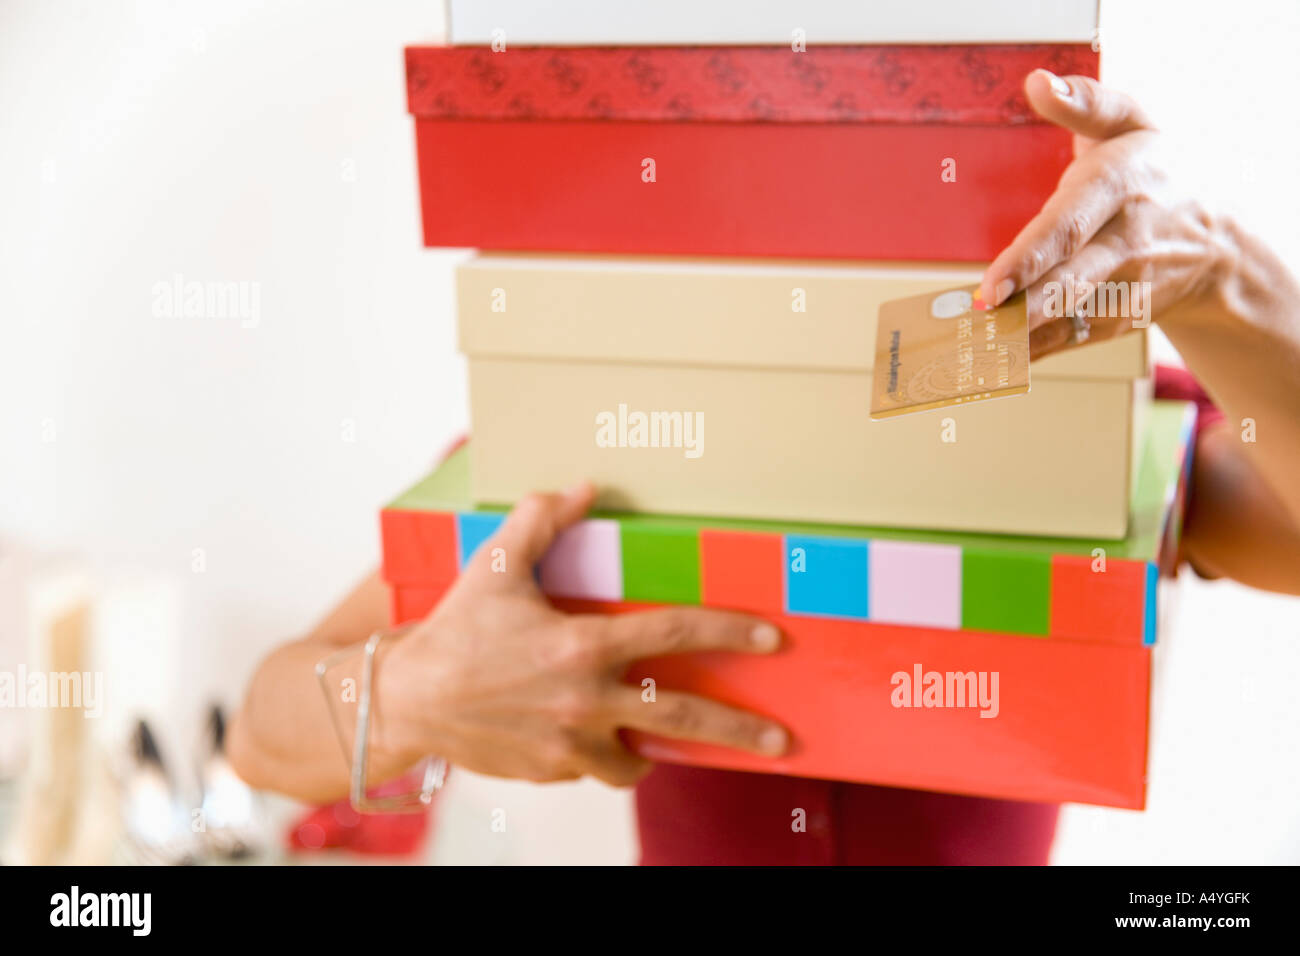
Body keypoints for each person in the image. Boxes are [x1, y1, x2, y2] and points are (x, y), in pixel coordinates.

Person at [228, 70, 1300, 864]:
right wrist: (409, 693)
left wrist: (1223, 272)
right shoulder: (583, 441)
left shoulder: (1082, 416)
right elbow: (260, 732)